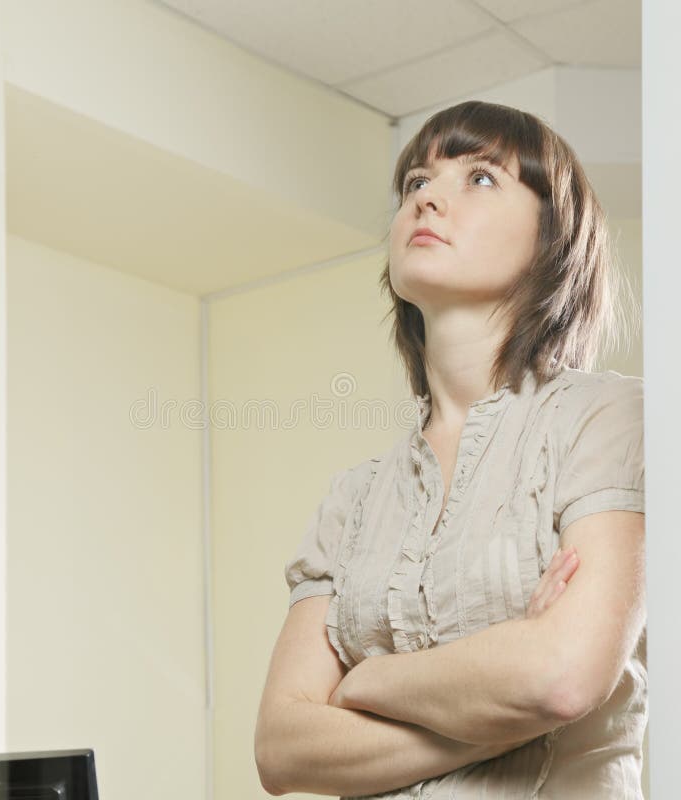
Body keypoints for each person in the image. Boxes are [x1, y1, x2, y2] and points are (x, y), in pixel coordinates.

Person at [254, 100, 646, 798]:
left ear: (554, 237)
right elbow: (282, 750)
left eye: (481, 178)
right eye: (415, 184)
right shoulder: (352, 502)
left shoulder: (612, 417)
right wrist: (499, 673)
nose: (428, 197)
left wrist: (369, 681)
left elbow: (563, 676)